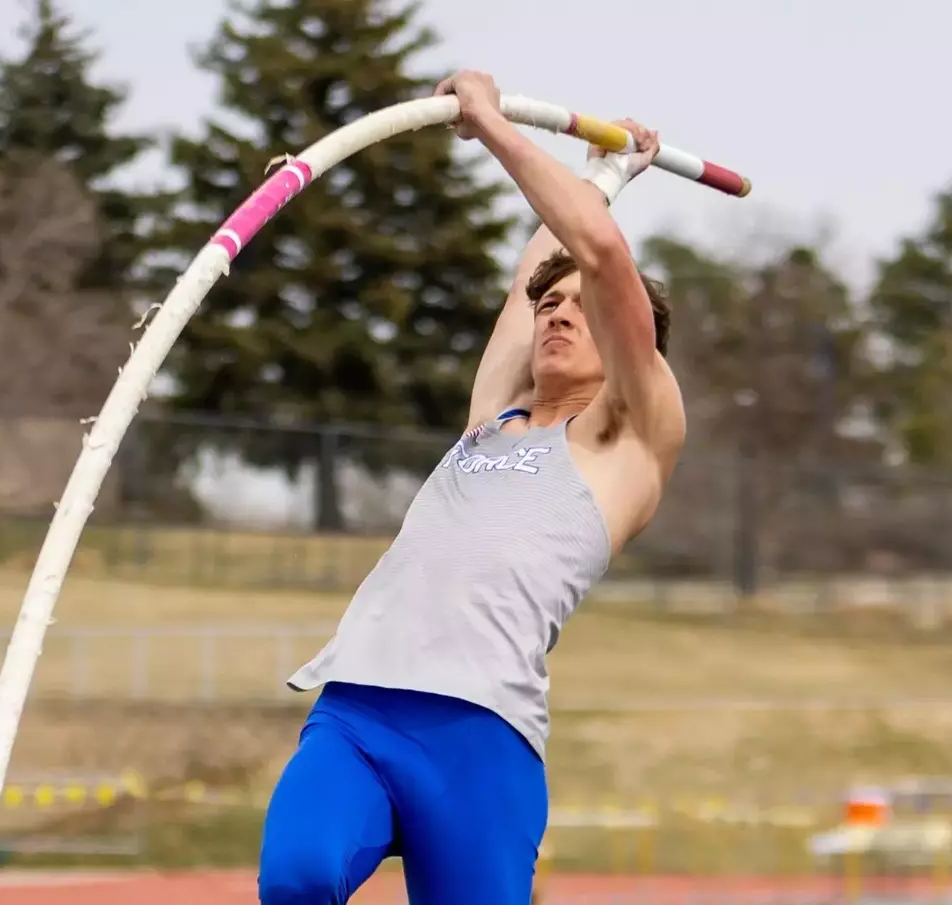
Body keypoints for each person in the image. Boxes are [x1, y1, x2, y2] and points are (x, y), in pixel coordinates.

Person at [256, 69, 686, 905]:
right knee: (298, 877)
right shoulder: (491, 415)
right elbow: (545, 267)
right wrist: (605, 173)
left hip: (480, 737)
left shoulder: (628, 438)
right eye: (548, 305)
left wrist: (489, 123)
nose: (556, 313)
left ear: (630, 341)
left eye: (579, 307)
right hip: (360, 707)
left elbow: (601, 256)